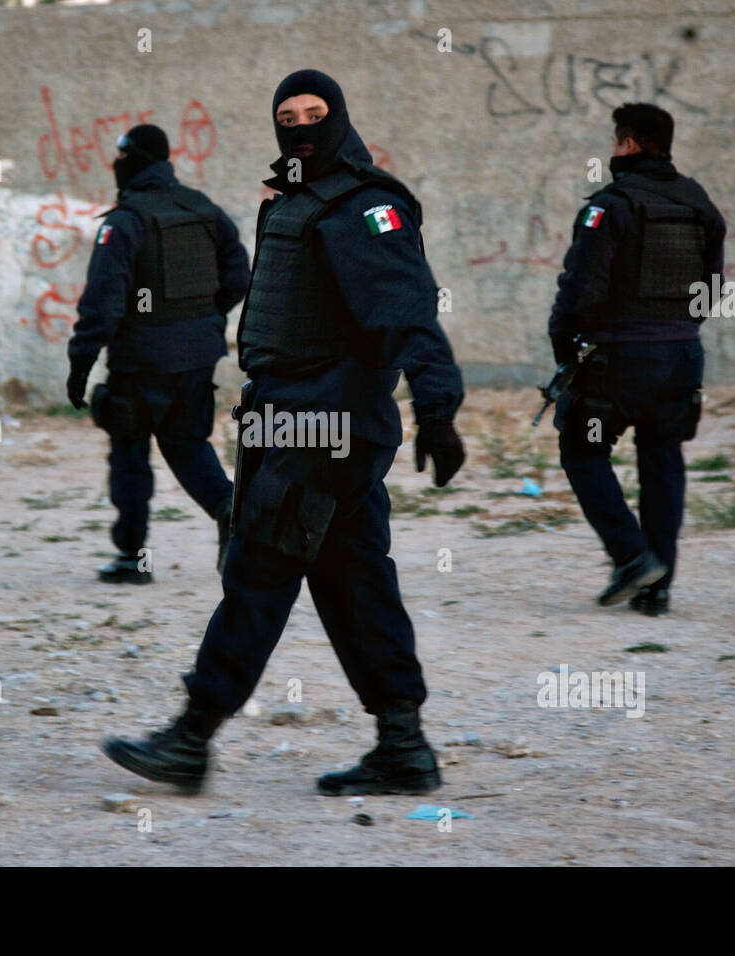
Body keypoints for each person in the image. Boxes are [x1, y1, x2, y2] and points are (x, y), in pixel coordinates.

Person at [101, 69, 466, 796]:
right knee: (354, 580)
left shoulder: (366, 206)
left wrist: (438, 405)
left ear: (340, 117)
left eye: (315, 112)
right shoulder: (295, 201)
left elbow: (406, 310)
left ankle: (191, 736)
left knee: (259, 573)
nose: (300, 125)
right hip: (290, 421)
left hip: (325, 429)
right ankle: (404, 746)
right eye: (288, 116)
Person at [548, 102, 726, 615]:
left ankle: (631, 557)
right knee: (662, 457)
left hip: (619, 358)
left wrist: (565, 346)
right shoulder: (699, 204)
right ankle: (657, 588)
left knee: (582, 451)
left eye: (615, 141)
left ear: (627, 143)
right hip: (681, 354)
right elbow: (710, 287)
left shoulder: (611, 205)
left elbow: (579, 287)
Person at [66, 124, 251, 583]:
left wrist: (80, 364)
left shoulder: (125, 222)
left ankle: (131, 558)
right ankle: (228, 508)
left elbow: (102, 303)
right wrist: (203, 319)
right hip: (196, 356)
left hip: (140, 361)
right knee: (187, 443)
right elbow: (240, 276)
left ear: (131, 161)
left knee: (129, 450)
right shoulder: (204, 209)